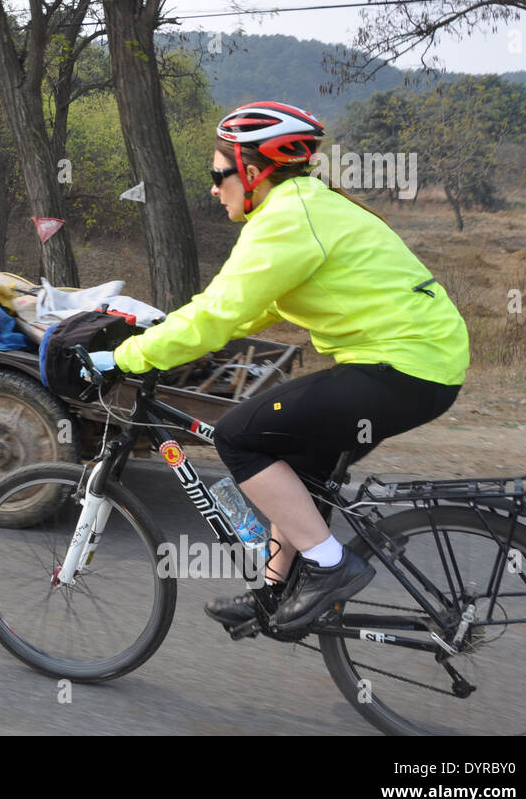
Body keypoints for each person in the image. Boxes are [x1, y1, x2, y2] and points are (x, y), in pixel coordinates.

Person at [87, 101, 468, 632]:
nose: (214, 189)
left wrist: (124, 356)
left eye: (218, 174)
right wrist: (169, 331)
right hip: (417, 365)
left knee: (239, 438)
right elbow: (251, 306)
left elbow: (220, 313)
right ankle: (274, 592)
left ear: (251, 171)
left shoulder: (287, 218)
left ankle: (330, 567)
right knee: (298, 467)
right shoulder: (304, 206)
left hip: (401, 368)